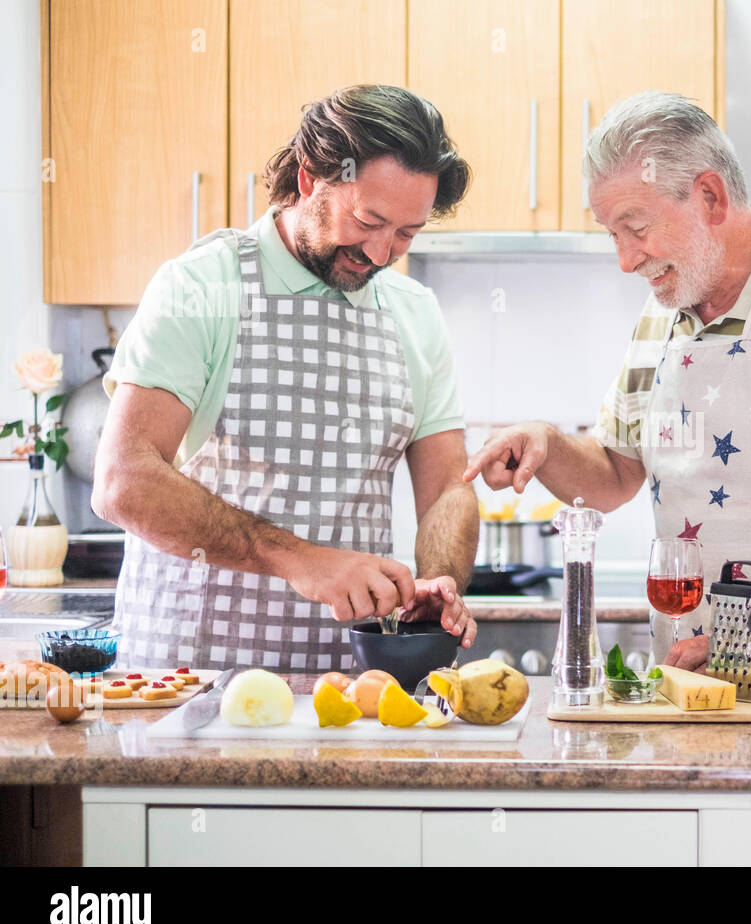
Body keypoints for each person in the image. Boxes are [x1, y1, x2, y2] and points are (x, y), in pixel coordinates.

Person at [464, 91, 751, 676]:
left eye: (637, 228)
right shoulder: (661, 318)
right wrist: (548, 444)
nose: (627, 261)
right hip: (695, 684)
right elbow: (615, 474)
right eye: (612, 235)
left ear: (709, 196)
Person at [93, 85, 480, 671]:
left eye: (406, 234)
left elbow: (449, 486)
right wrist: (301, 559)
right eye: (368, 220)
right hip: (192, 682)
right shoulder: (203, 286)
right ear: (308, 179)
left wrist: (439, 583)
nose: (380, 253)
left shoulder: (414, 312)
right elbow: (125, 479)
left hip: (349, 690)